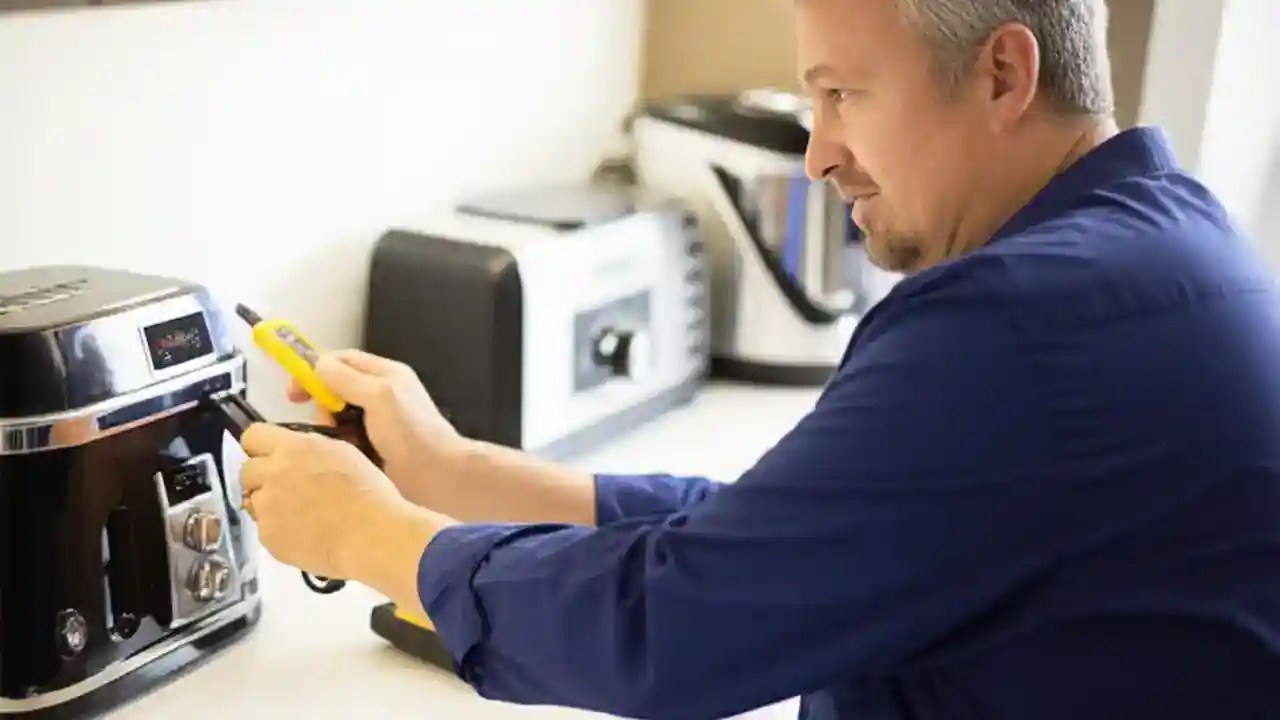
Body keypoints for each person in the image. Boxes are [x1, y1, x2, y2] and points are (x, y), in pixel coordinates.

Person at [237, 0, 1280, 718]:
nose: (819, 152)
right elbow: (802, 534)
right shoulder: (1172, 241)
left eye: (843, 95)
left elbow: (674, 628)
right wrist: (456, 473)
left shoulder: (1017, 320)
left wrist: (376, 537)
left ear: (1003, 73)